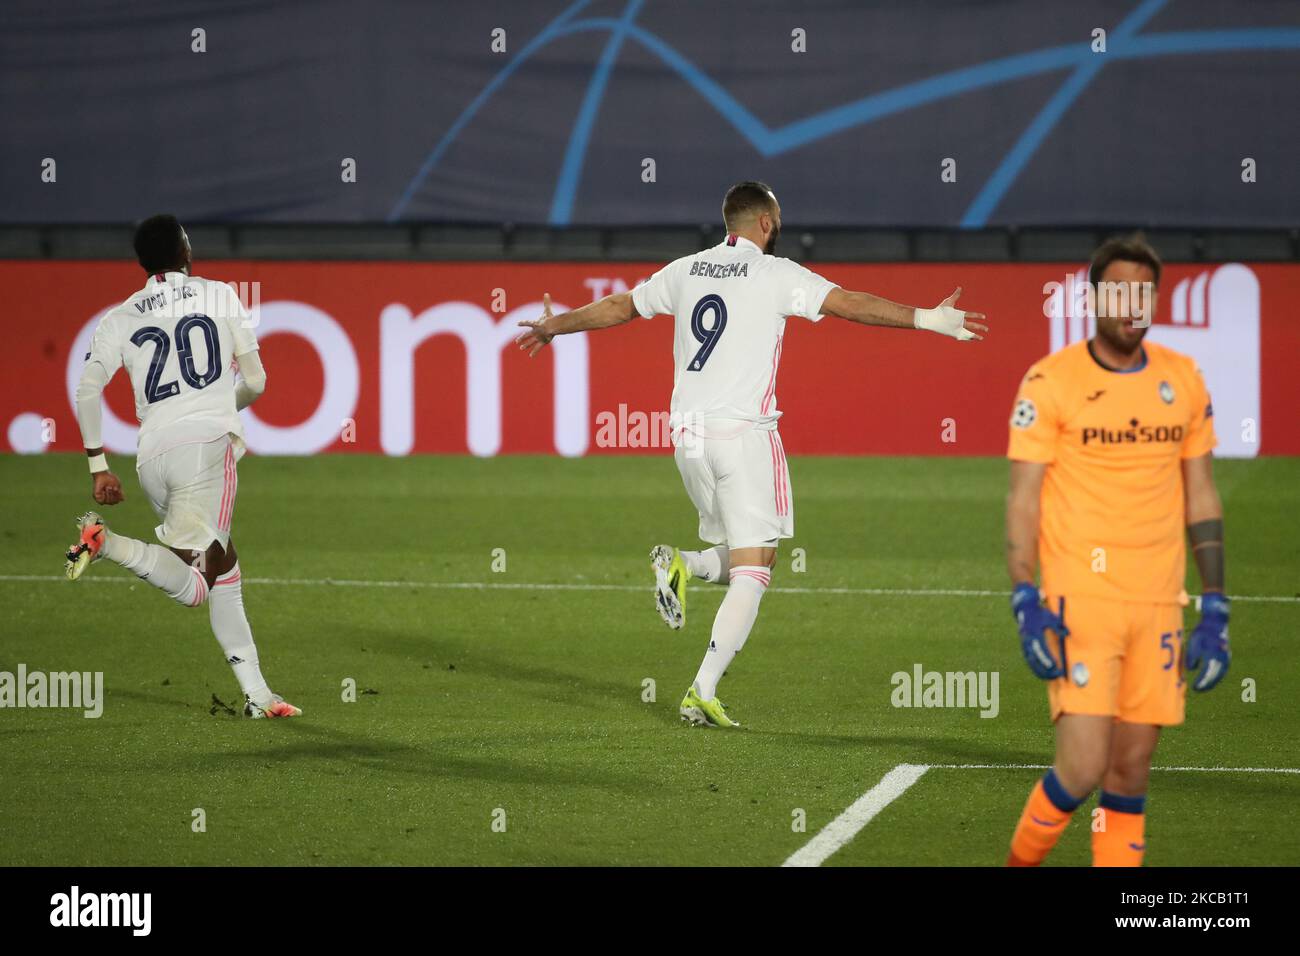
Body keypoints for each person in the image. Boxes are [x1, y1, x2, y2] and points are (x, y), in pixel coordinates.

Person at [516, 181, 986, 727]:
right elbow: (849, 303)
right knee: (754, 568)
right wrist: (928, 319)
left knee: (753, 554)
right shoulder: (777, 273)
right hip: (742, 434)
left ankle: (684, 565)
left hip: (686, 436)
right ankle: (701, 689)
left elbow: (621, 306)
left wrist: (555, 324)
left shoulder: (686, 269)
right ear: (765, 223)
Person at [1004, 233, 1229, 865]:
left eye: (1146, 292)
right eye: (1122, 290)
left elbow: (1203, 495)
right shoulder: (1051, 381)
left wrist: (1215, 605)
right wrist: (1025, 594)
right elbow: (1023, 501)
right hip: (1083, 599)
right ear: (1095, 297)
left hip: (1158, 601)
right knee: (1081, 768)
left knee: (1129, 774)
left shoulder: (1182, 379)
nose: (1134, 304)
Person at [65, 214, 300, 719]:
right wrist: (219, 405)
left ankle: (259, 696)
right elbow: (256, 382)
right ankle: (104, 542)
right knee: (196, 588)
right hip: (206, 448)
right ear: (185, 249)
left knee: (225, 567)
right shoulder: (219, 295)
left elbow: (87, 389)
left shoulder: (119, 317)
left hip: (151, 455)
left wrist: (98, 465)